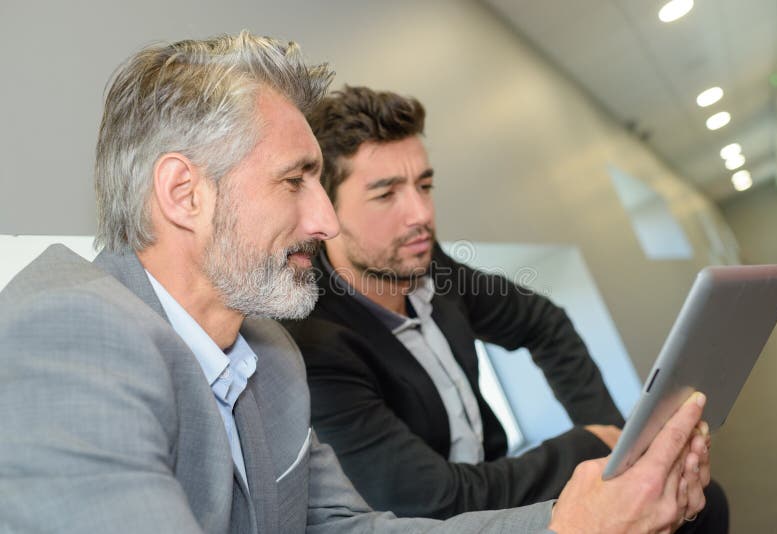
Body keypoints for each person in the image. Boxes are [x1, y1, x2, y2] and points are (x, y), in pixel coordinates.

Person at [0, 33, 710, 534]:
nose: (320, 218)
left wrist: (569, 523)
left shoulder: (267, 357)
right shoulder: (70, 332)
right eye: (294, 181)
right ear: (186, 194)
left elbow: (354, 531)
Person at [286, 85, 726, 530]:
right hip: (437, 523)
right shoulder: (315, 342)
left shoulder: (428, 264)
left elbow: (543, 322)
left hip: (494, 483)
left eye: (425, 185)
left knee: (700, 505)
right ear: (326, 210)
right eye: (386, 194)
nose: (420, 214)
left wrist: (616, 447)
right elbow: (432, 500)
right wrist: (588, 446)